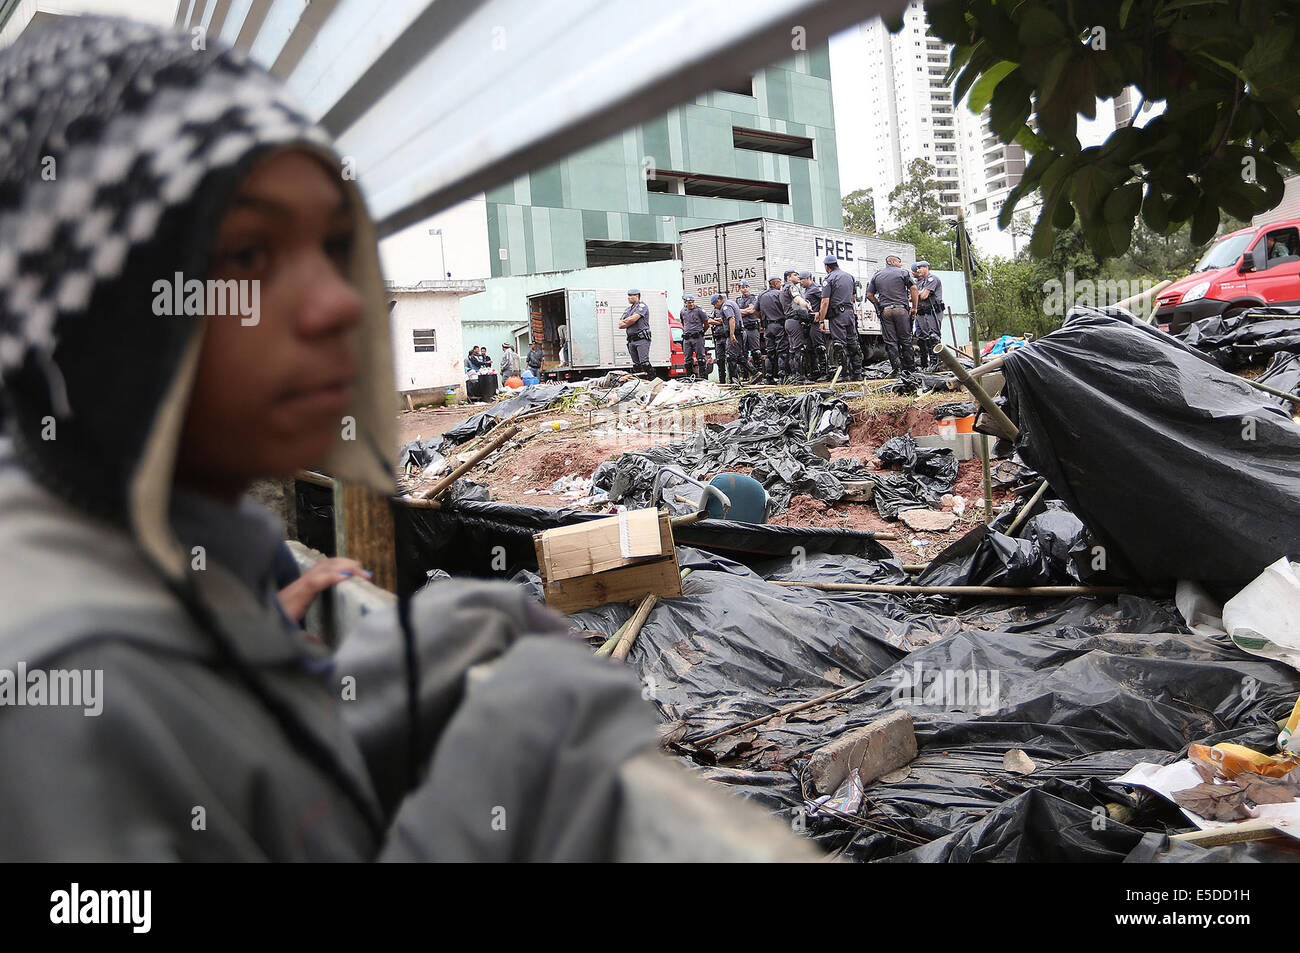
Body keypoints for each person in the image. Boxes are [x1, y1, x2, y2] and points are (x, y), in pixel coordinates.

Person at [0, 18, 774, 862]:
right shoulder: (60, 701)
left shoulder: (165, 536)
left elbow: (258, 785)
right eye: (248, 249)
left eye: (336, 245)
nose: (342, 303)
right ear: (82, 307)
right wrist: (520, 740)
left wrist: (406, 652)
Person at [865, 254, 919, 377]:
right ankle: (910, 370)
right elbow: (914, 289)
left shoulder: (877, 275)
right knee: (905, 340)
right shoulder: (903, 273)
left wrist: (879, 304)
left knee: (891, 342)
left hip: (886, 311)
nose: (901, 264)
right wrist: (914, 307)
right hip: (901, 310)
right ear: (893, 261)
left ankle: (896, 370)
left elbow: (869, 294)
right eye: (899, 262)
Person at [820, 255, 864, 381]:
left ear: (827, 267)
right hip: (849, 313)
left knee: (839, 345)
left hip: (837, 315)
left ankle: (844, 374)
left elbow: (825, 302)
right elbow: (853, 298)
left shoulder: (829, 279)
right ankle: (857, 373)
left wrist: (822, 320)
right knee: (853, 343)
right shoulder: (849, 276)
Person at [780, 268, 812, 383]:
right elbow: (797, 299)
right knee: (799, 349)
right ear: (788, 278)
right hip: (794, 320)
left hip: (788, 322)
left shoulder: (783, 289)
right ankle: (800, 377)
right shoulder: (791, 287)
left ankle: (794, 375)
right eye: (795, 275)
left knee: (792, 350)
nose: (798, 276)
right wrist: (806, 305)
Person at [912, 261, 943, 370]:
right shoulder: (919, 282)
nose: (918, 270)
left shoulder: (932, 279)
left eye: (921, 267)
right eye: (917, 268)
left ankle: (935, 363)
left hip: (932, 311)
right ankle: (925, 364)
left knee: (933, 337)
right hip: (920, 313)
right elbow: (911, 297)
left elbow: (924, 295)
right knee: (921, 339)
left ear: (927, 268)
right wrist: (916, 294)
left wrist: (916, 294)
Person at [710, 292, 748, 383]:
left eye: (715, 304)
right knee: (738, 357)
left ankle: (734, 380)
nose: (715, 306)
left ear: (719, 300)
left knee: (732, 358)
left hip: (735, 333)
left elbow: (731, 319)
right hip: (736, 333)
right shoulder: (731, 303)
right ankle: (755, 373)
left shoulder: (726, 306)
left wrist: (731, 335)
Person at [799, 271, 830, 381]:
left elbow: (825, 302)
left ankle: (824, 372)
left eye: (802, 279)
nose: (800, 282)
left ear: (808, 278)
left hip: (816, 322)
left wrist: (820, 315)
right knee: (810, 348)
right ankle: (815, 371)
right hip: (808, 322)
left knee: (819, 347)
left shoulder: (816, 288)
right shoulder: (805, 290)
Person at [757, 276, 788, 383]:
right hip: (779, 325)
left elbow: (755, 311)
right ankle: (782, 377)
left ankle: (769, 377)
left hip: (768, 327)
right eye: (780, 283)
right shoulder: (780, 294)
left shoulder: (762, 295)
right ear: (775, 284)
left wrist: (763, 318)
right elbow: (786, 308)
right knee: (782, 351)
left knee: (770, 353)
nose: (781, 285)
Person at [618, 289, 652, 375]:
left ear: (637, 296)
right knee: (636, 366)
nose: (628, 298)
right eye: (628, 296)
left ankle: (652, 380)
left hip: (641, 339)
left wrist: (628, 321)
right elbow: (620, 325)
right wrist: (629, 321)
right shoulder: (628, 309)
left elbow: (633, 319)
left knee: (644, 363)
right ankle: (641, 383)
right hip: (631, 340)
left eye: (630, 296)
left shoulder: (642, 306)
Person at [734, 280, 763, 380]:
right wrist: (743, 311)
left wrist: (741, 311)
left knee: (756, 351)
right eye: (742, 287)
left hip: (752, 327)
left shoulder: (753, 298)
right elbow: (736, 313)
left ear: (749, 287)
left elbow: (751, 310)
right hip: (742, 328)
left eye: (746, 286)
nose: (744, 289)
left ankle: (759, 373)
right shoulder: (738, 300)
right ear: (739, 289)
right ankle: (745, 376)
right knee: (743, 353)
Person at [679, 293, 710, 378]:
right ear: (686, 302)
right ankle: (690, 377)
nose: (691, 304)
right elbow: (683, 323)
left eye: (692, 302)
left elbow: (706, 324)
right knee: (687, 360)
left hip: (697, 337)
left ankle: (703, 378)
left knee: (701, 359)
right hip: (687, 338)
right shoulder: (683, 311)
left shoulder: (699, 310)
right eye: (689, 302)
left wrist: (701, 332)